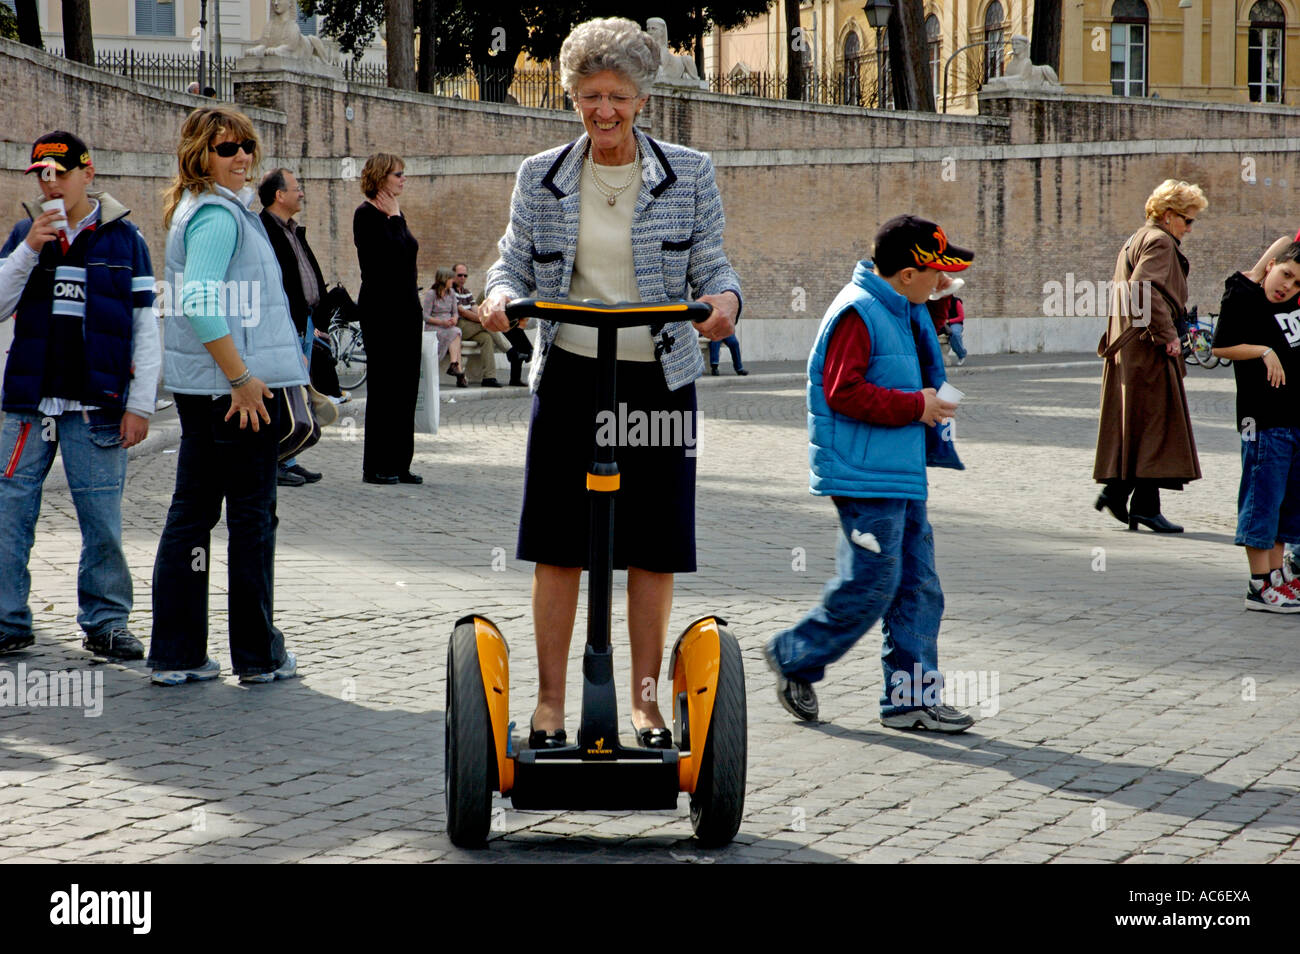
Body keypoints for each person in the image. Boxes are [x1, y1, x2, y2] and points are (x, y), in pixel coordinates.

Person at [480, 17, 741, 750]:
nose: (604, 111)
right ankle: (552, 705)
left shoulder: (689, 172)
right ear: (570, 97)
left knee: (653, 547)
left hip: (658, 381)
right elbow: (511, 264)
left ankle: (647, 705)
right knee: (559, 545)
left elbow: (715, 266)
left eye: (617, 96)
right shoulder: (542, 175)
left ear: (642, 99)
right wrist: (501, 299)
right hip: (569, 374)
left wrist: (724, 303)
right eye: (589, 96)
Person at [763, 215, 974, 732]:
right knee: (874, 584)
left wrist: (938, 297)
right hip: (864, 475)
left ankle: (910, 700)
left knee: (918, 585)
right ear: (906, 274)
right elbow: (844, 391)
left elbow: (912, 331)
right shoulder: (858, 312)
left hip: (896, 472)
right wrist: (916, 406)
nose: (939, 280)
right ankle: (795, 655)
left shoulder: (897, 304)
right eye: (932, 272)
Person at [149, 105, 305, 686]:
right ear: (200, 155)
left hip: (206, 388)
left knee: (193, 513)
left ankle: (177, 653)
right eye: (227, 147)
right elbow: (200, 301)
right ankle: (258, 655)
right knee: (251, 516)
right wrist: (241, 379)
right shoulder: (217, 214)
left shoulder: (206, 207)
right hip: (234, 393)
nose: (242, 156)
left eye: (246, 145)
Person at [0, 130, 160, 659]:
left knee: (102, 521)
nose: (50, 184)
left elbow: (146, 328)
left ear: (87, 175)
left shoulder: (125, 240)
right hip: (30, 402)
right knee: (8, 513)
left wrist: (139, 404)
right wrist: (27, 249)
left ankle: (106, 621)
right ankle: (7, 619)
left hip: (97, 405)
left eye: (60, 174)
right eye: (41, 174)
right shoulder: (28, 233)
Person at [1093, 180, 1206, 533]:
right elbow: (1141, 290)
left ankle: (1130, 499)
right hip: (1147, 348)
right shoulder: (1158, 241)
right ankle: (1136, 503)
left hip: (1135, 348)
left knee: (1146, 425)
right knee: (1155, 424)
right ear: (1169, 215)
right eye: (1188, 220)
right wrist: (1167, 335)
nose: (1189, 228)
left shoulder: (1137, 237)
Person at [1210, 242, 1300, 611]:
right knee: (1262, 502)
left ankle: (1278, 578)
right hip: (1262, 422)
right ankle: (1258, 585)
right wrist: (1263, 351)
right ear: (1273, 265)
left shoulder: (1291, 307)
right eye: (1286, 275)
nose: (1288, 287)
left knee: (1286, 508)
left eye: (1297, 285)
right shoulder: (1244, 297)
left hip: (1294, 423)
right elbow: (1220, 347)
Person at [353, 153, 423, 485]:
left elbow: (408, 254)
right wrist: (394, 219)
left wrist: (397, 218)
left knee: (406, 386)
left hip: (408, 310)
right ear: (382, 178)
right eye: (399, 174)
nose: (403, 179)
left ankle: (400, 461)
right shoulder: (366, 215)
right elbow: (388, 259)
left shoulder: (397, 213)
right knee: (384, 386)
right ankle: (376, 465)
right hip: (381, 312)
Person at [258, 166, 325, 487]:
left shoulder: (292, 229)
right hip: (285, 324)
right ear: (279, 195)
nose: (301, 193)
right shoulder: (264, 231)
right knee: (283, 395)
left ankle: (290, 456)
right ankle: (276, 460)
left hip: (305, 323)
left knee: (297, 396)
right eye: (296, 188)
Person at [455, 263, 530, 386]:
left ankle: (489, 378)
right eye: (460, 275)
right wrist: (485, 318)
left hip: (475, 325)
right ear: (453, 276)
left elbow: (475, 310)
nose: (463, 278)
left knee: (487, 339)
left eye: (465, 275)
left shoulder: (467, 292)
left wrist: (484, 316)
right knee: (488, 325)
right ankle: (510, 352)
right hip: (459, 326)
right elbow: (463, 313)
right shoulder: (452, 292)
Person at [421, 267, 467, 387]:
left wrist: (455, 319)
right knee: (455, 333)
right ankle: (457, 370)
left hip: (449, 326)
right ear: (444, 279)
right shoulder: (431, 294)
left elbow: (455, 312)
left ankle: (454, 365)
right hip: (434, 327)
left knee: (456, 331)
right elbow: (425, 316)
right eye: (451, 278)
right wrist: (442, 322)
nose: (453, 281)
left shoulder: (451, 293)